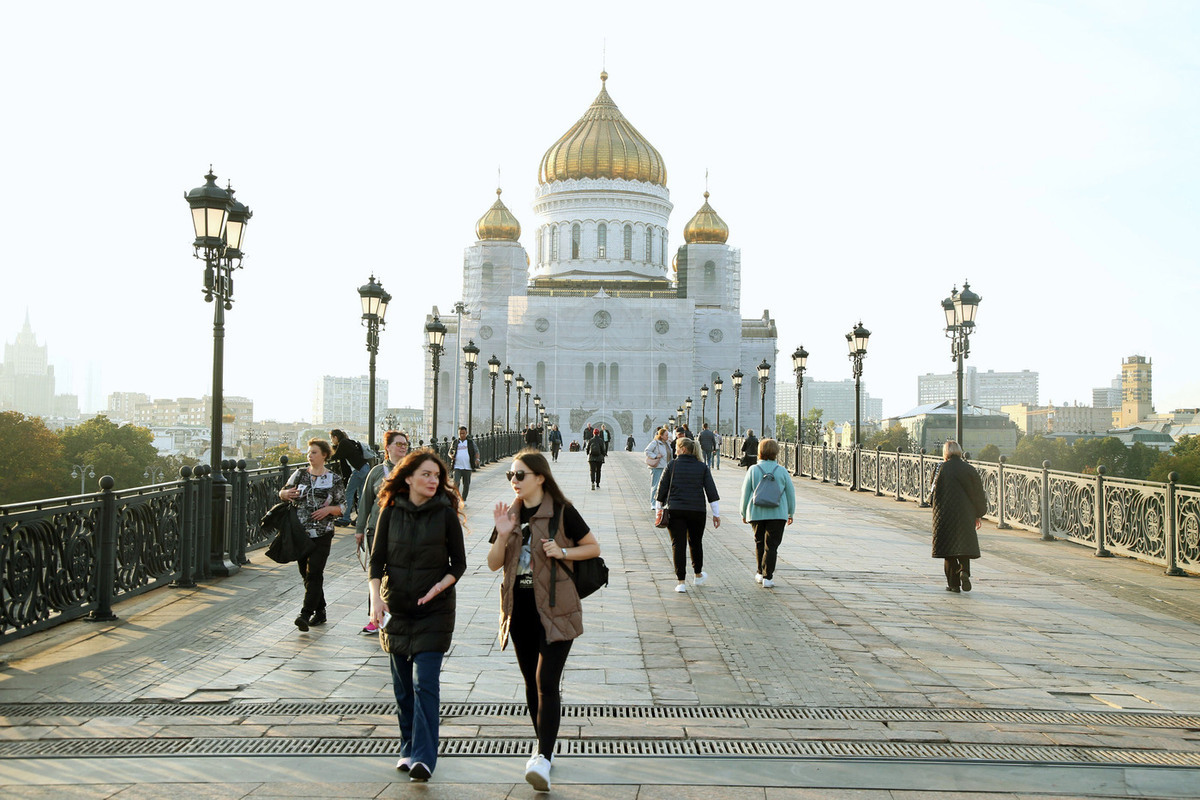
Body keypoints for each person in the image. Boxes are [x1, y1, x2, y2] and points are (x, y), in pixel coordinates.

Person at [487, 450, 601, 792]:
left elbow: (592, 548)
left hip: (556, 609)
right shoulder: (511, 514)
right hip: (519, 608)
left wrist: (561, 552)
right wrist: (504, 533)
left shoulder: (562, 512)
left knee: (546, 681)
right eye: (510, 475)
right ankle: (544, 751)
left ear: (540, 477)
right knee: (530, 682)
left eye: (520, 475)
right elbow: (493, 564)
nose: (514, 481)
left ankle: (542, 756)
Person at [368, 448, 466, 782]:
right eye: (426, 474)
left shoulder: (445, 513)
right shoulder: (390, 511)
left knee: (426, 682)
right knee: (401, 687)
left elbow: (459, 564)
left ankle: (424, 758)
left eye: (437, 476)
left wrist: (439, 588)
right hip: (396, 609)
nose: (433, 480)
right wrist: (375, 602)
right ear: (408, 477)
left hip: (434, 611)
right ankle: (407, 747)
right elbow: (376, 561)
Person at [279, 438, 347, 631]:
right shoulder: (300, 474)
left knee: (315, 571)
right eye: (309, 452)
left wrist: (328, 511)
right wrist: (284, 495)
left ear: (324, 455)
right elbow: (282, 492)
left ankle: (305, 613)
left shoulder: (334, 479)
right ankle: (321, 610)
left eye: (314, 452)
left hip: (323, 532)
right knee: (306, 573)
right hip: (300, 532)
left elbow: (343, 506)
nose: (310, 455)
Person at [355, 429, 409, 634]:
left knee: (398, 573)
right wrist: (359, 529)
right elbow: (365, 502)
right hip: (376, 530)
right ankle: (374, 616)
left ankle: (396, 614)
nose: (403, 447)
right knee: (376, 572)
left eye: (405, 444)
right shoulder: (377, 472)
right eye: (399, 444)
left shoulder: (412, 470)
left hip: (404, 531)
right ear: (388, 447)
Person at [655, 437, 720, 593]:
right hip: (697, 511)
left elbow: (661, 490)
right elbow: (711, 492)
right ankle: (697, 575)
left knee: (678, 544)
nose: (675, 450)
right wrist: (716, 514)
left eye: (677, 447)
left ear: (683, 449)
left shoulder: (672, 465)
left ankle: (681, 582)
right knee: (696, 542)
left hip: (675, 510)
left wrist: (658, 510)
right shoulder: (702, 467)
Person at [931, 440, 987, 593]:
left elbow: (932, 493)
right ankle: (964, 571)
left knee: (948, 550)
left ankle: (953, 585)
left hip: (944, 513)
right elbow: (978, 494)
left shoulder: (940, 469)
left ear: (945, 453)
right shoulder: (969, 469)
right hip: (965, 513)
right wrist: (978, 514)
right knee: (963, 545)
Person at [739, 438, 796, 588]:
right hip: (778, 513)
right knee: (772, 546)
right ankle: (767, 577)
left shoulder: (753, 470)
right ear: (776, 452)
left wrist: (743, 511)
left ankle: (759, 572)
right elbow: (790, 493)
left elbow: (745, 492)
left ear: (759, 452)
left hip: (756, 512)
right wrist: (791, 512)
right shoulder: (782, 471)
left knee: (759, 542)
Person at [331, 429, 370, 526]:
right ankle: (361, 519)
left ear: (335, 437)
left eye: (331, 438)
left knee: (348, 493)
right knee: (361, 494)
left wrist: (324, 456)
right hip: (365, 468)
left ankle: (345, 518)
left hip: (359, 470)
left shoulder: (343, 443)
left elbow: (336, 456)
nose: (331, 441)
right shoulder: (348, 442)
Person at [644, 426, 672, 509]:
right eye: (666, 435)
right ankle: (653, 503)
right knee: (656, 485)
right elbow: (647, 451)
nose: (668, 436)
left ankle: (662, 503)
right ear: (661, 436)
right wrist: (655, 456)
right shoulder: (655, 443)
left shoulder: (667, 443)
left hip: (666, 467)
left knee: (665, 486)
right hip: (658, 467)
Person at [451, 426, 480, 503]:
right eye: (460, 433)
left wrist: (477, 459)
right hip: (457, 466)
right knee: (456, 483)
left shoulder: (470, 442)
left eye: (463, 433)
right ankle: (454, 499)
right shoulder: (455, 442)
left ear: (466, 433)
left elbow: (476, 451)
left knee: (466, 484)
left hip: (467, 467)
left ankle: (463, 499)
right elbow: (450, 451)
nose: (462, 435)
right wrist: (451, 456)